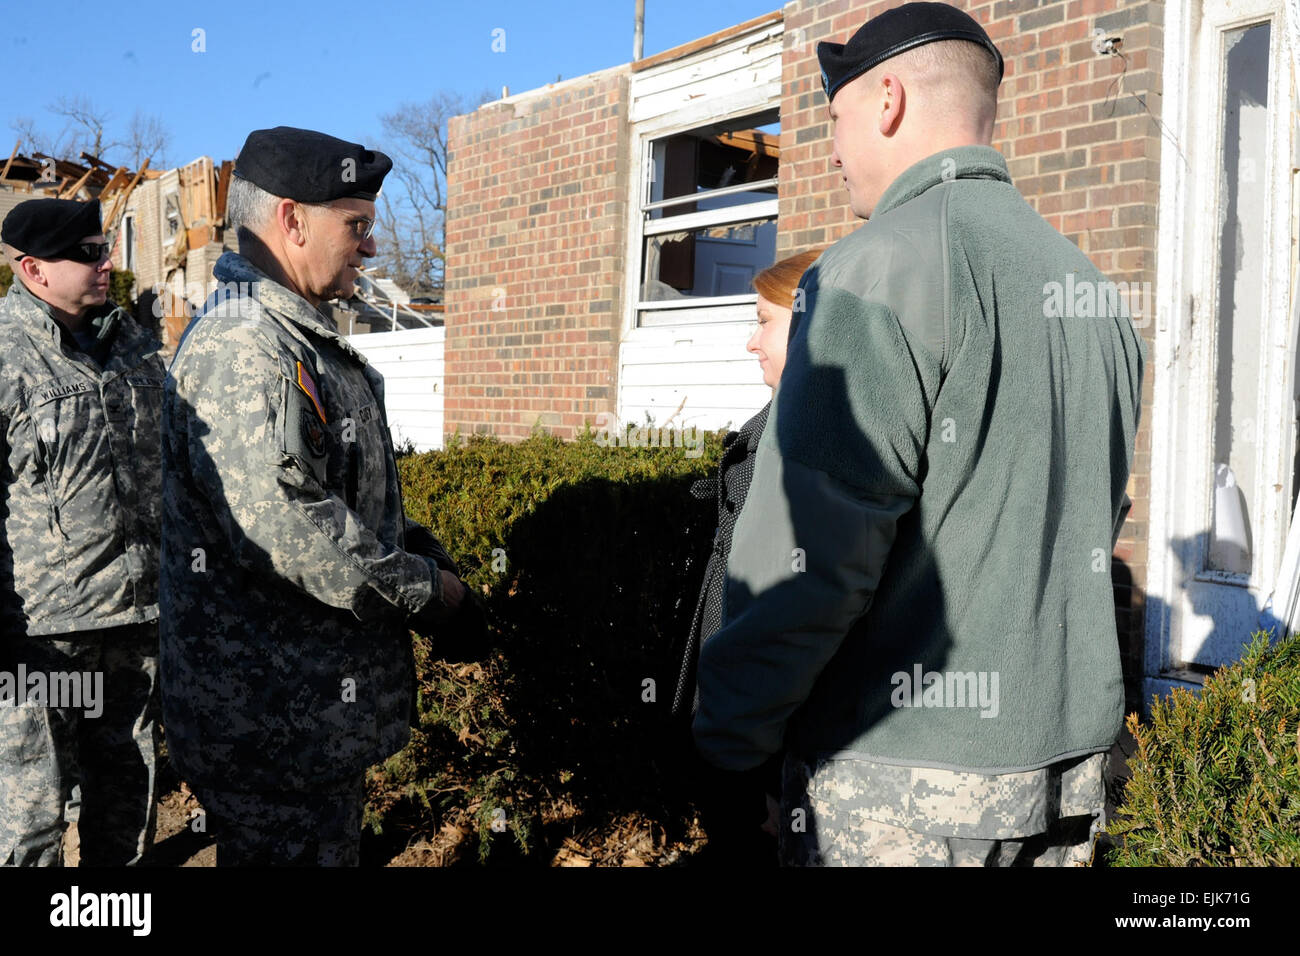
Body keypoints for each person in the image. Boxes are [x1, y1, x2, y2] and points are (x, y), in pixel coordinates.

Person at [691, 2, 1146, 866]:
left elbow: (810, 559)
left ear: (889, 99)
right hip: (1068, 775)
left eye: (834, 119)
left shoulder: (875, 268)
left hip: (902, 792)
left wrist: (728, 739)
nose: (828, 149)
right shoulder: (1091, 292)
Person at [159, 126, 477, 866]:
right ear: (292, 221)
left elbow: (340, 495)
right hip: (271, 725)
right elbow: (291, 530)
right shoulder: (247, 345)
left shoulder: (292, 339)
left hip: (303, 720)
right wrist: (434, 595)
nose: (370, 248)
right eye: (357, 226)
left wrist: (418, 550)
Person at [0, 197, 164, 866]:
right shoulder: (7, 359)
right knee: (33, 818)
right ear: (34, 269)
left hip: (135, 625)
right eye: (91, 252)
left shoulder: (131, 344)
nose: (108, 262)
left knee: (127, 802)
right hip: (40, 638)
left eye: (107, 247)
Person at [671, 249, 821, 865]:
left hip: (773, 746)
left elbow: (800, 610)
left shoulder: (811, 436)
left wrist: (770, 770)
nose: (750, 342)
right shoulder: (787, 418)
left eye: (764, 320)